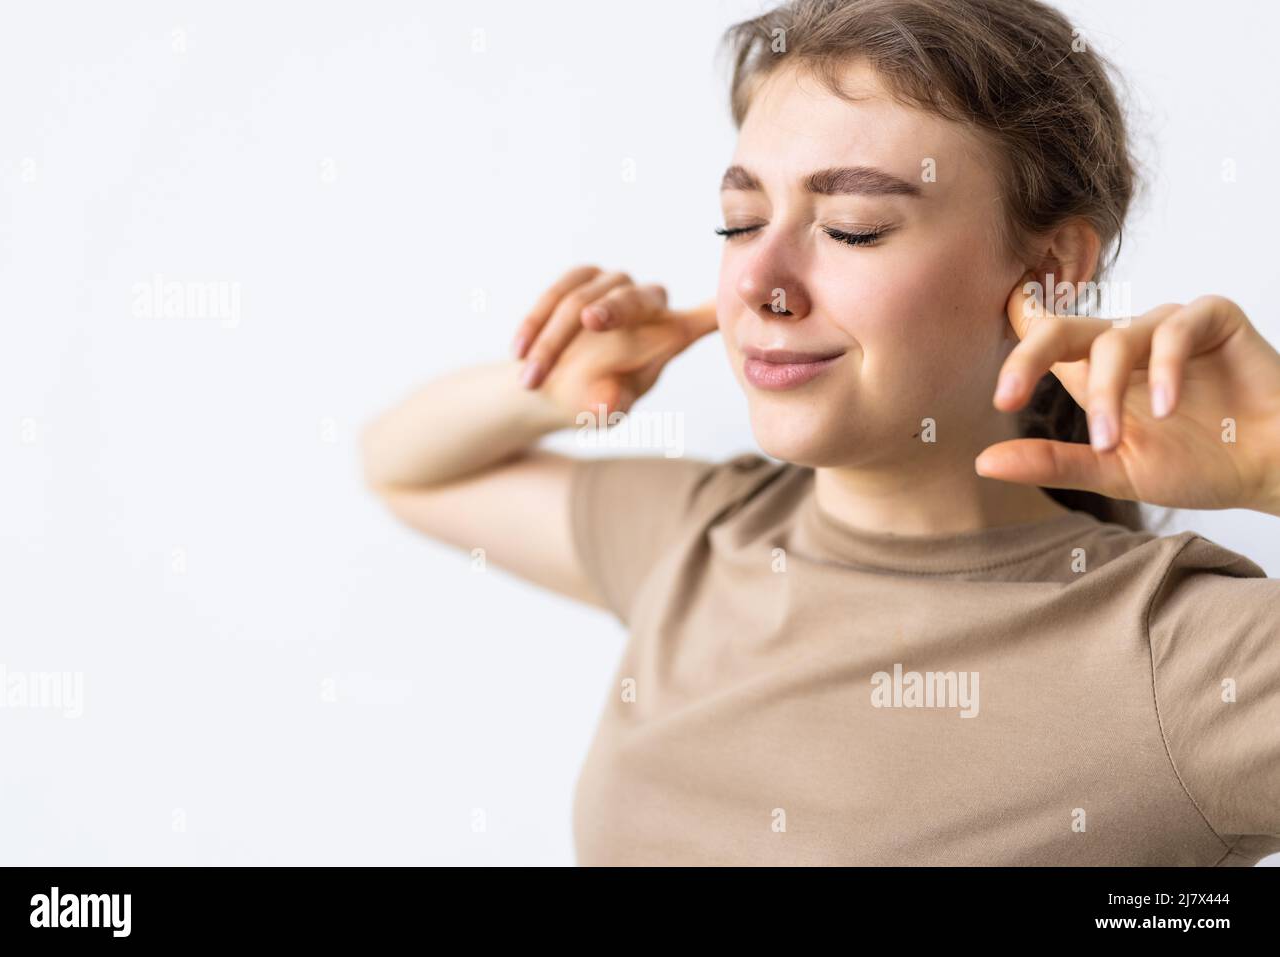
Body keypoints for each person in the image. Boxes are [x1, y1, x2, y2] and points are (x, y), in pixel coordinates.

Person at [360, 0, 1280, 865]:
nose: (762, 280)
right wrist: (552, 392)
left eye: (852, 229)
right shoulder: (702, 538)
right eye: (741, 220)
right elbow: (404, 469)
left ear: (1050, 267)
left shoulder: (1179, 657)